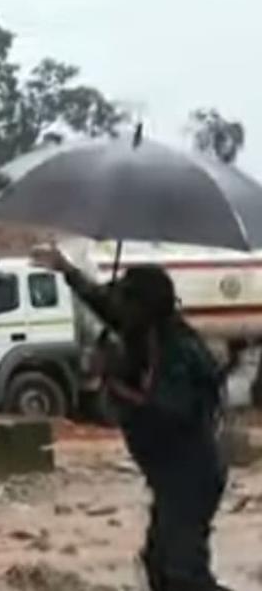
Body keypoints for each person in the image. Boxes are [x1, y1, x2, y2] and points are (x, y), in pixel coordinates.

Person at [31, 243, 229, 591]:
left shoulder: (177, 351)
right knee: (159, 567)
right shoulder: (146, 329)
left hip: (190, 476)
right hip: (170, 475)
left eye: (126, 298)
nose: (118, 303)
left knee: (184, 575)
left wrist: (111, 376)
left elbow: (166, 411)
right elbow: (104, 304)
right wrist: (66, 270)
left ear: (144, 306)